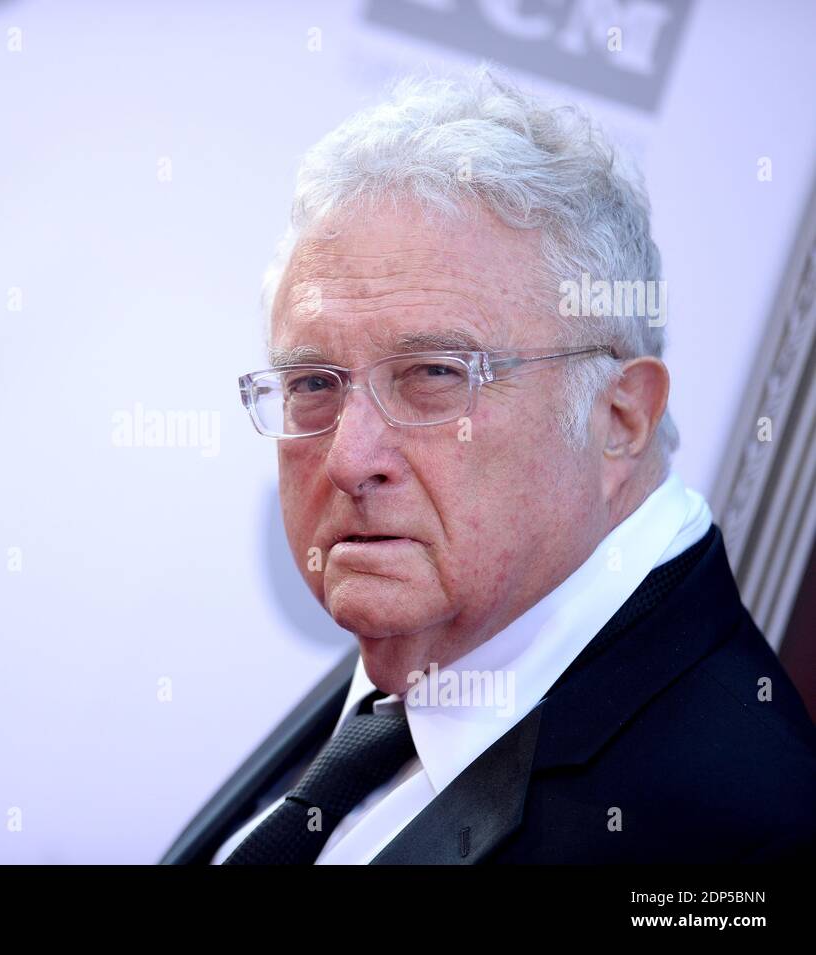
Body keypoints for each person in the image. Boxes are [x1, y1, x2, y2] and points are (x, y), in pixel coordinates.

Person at [160, 65, 816, 865]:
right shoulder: (444, 627)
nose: (349, 458)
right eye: (312, 384)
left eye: (435, 374)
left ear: (620, 419)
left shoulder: (739, 841)